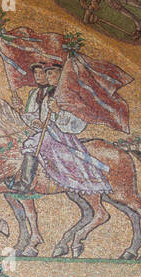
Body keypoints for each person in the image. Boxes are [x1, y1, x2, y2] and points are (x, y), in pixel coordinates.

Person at [12, 59, 110, 196]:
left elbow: (78, 124)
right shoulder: (50, 94)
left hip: (61, 136)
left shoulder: (72, 95)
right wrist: (25, 113)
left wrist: (59, 112)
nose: (47, 77)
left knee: (30, 144)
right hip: (49, 132)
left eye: (51, 74)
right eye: (47, 74)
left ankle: (25, 183)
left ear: (62, 75)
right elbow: (39, 117)